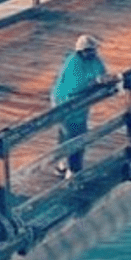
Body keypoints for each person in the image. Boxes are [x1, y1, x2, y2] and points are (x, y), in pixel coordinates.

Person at [50, 34, 112, 179]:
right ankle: (72, 170)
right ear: (81, 52)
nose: (93, 52)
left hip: (82, 105)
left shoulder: (95, 60)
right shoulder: (73, 63)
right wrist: (94, 82)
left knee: (73, 133)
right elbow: (73, 88)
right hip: (65, 102)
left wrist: (104, 79)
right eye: (89, 50)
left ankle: (63, 163)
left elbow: (102, 72)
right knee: (73, 135)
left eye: (94, 49)